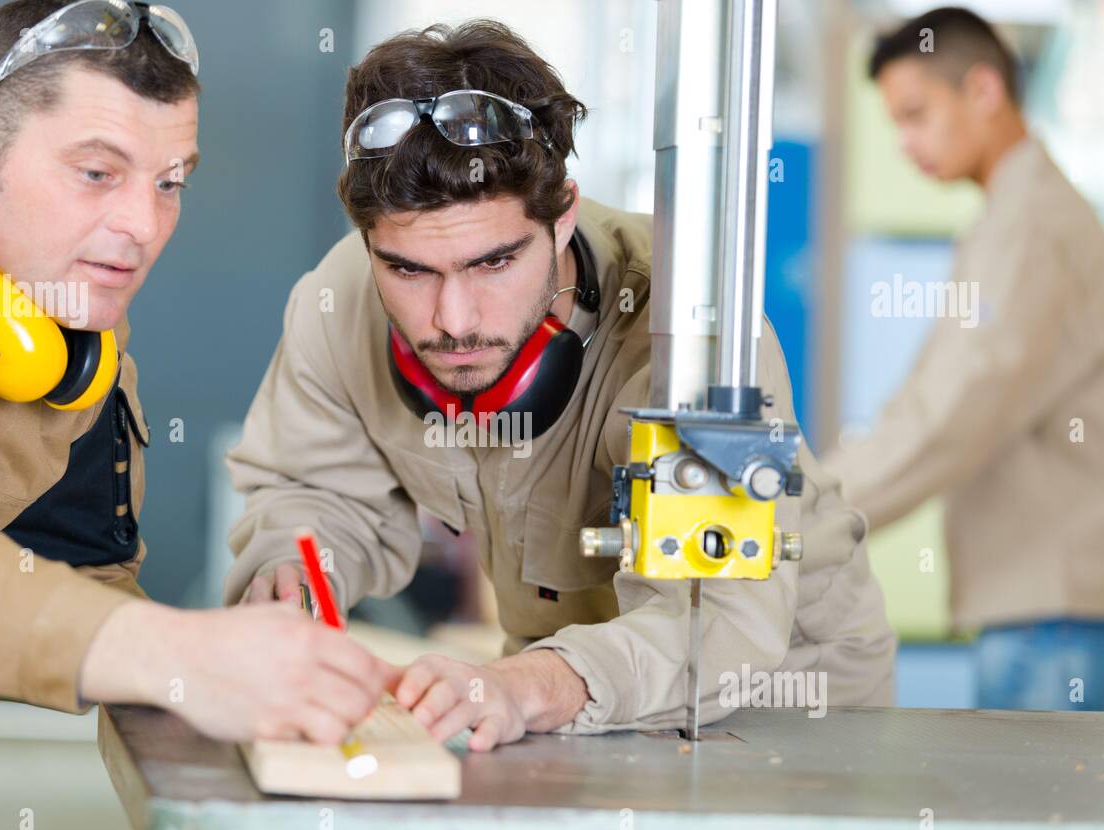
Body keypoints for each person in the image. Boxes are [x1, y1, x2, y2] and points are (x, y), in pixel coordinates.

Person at [227, 20, 897, 751]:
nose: (452, 320)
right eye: (409, 270)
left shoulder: (690, 332)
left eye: (493, 263)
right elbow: (314, 495)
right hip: (552, 676)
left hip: (774, 691)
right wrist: (292, 571)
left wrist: (524, 687)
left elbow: (722, 617)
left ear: (562, 214)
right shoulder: (339, 301)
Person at [0, 0, 393, 744]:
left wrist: (248, 653)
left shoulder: (66, 339)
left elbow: (86, 577)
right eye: (97, 172)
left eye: (169, 182)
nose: (143, 226)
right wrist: (173, 653)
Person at [822, 7, 1104, 710]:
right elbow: (934, 399)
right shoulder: (1013, 217)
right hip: (1048, 603)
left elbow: (953, 413)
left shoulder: (1031, 227)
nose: (906, 143)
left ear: (984, 92)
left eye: (916, 114)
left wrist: (807, 514)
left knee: (1029, 817)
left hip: (1053, 612)